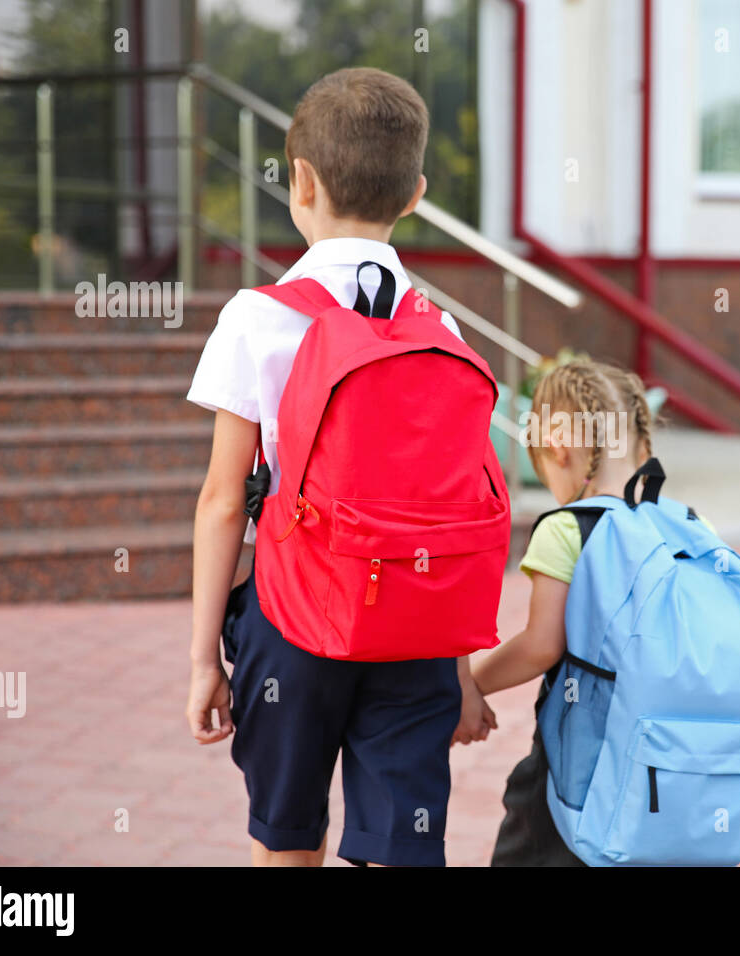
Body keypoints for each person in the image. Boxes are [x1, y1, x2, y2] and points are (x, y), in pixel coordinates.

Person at [183, 67, 495, 867]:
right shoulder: (442, 327)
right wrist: (455, 662)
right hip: (417, 632)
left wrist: (202, 663)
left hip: (295, 626)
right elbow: (448, 503)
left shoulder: (256, 320)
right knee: (400, 848)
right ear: (416, 192)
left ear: (301, 180)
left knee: (288, 841)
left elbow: (223, 501)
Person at [469, 361, 740, 865]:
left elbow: (541, 645)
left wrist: (471, 683)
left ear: (558, 445)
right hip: (674, 792)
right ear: (643, 443)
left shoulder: (568, 530)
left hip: (578, 790)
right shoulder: (692, 529)